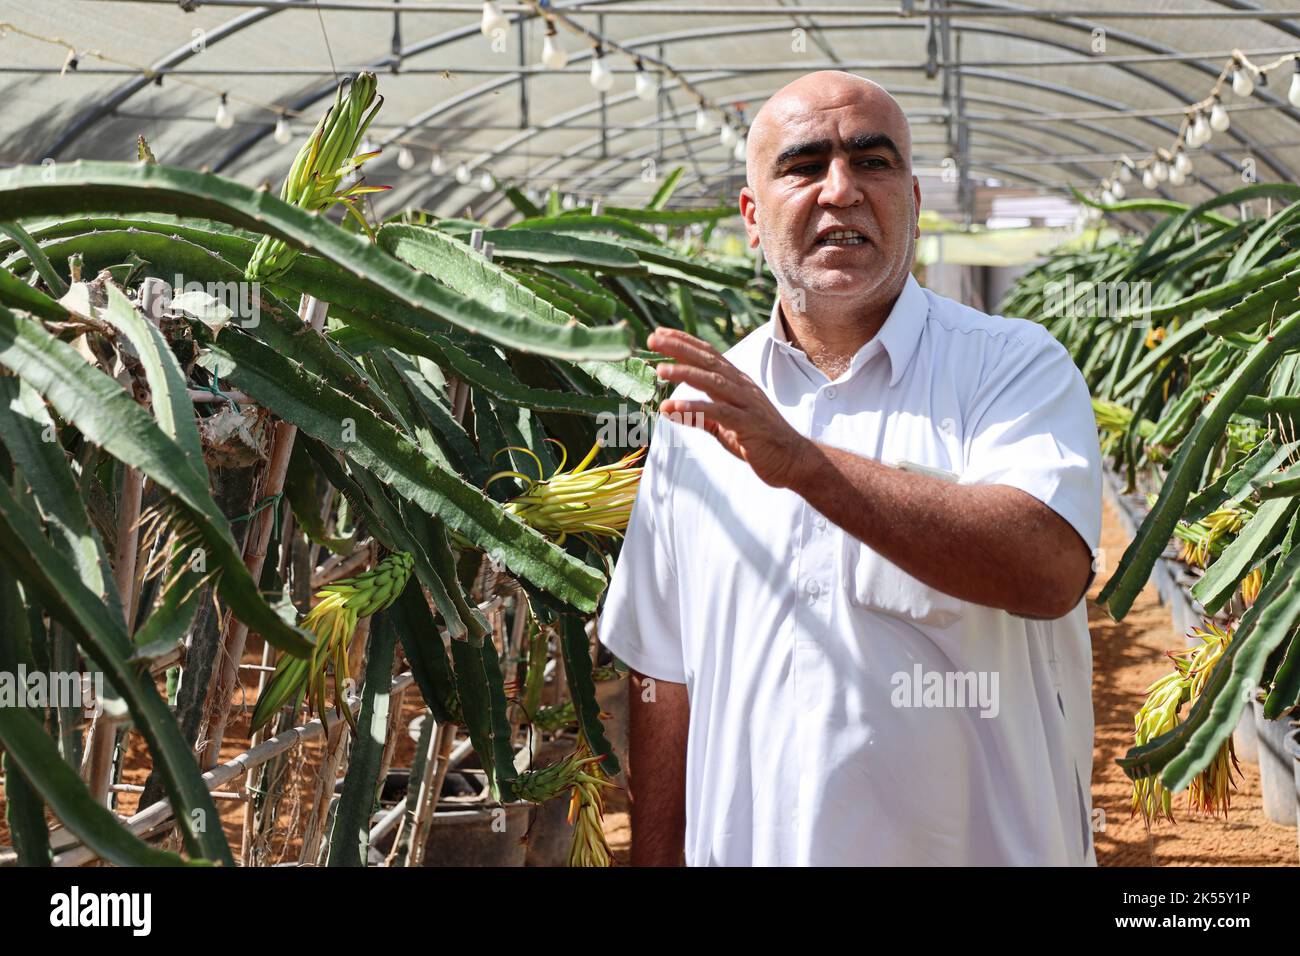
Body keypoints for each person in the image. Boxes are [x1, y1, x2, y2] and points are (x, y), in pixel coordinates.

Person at [598, 71, 1102, 866]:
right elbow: (664, 678)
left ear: (912, 198)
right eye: (804, 165)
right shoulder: (698, 412)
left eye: (873, 162)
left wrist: (804, 464)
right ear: (752, 218)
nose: (842, 190)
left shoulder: (1009, 369)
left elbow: (1047, 568)